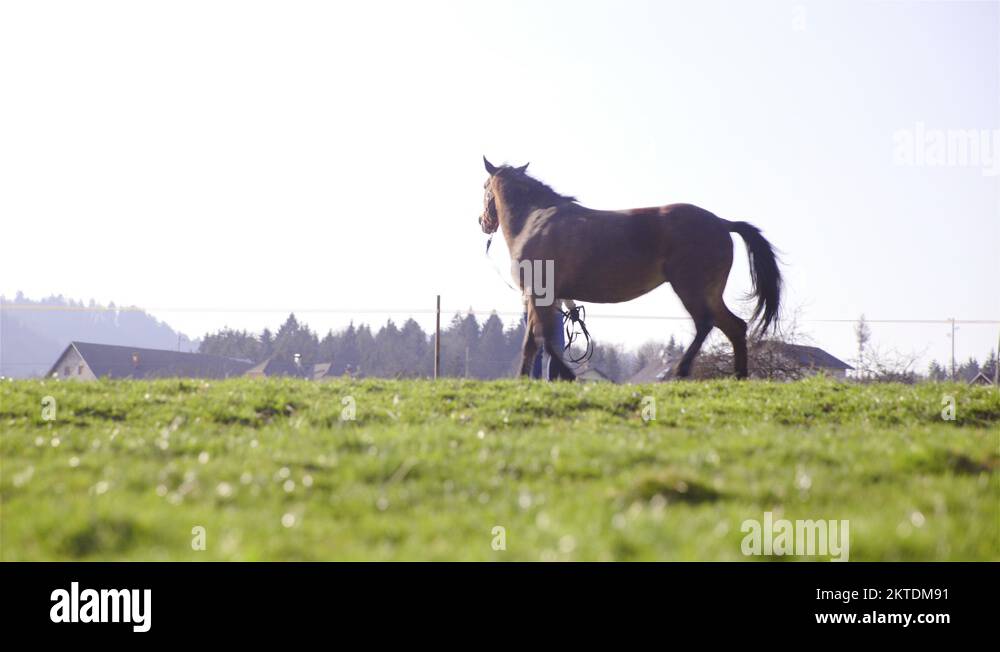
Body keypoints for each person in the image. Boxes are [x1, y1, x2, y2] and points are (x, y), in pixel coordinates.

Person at [523, 299, 575, 380]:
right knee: (536, 350)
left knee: (558, 349)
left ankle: (552, 382)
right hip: (533, 309)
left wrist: (571, 307)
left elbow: (563, 287)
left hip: (554, 310)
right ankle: (537, 382)